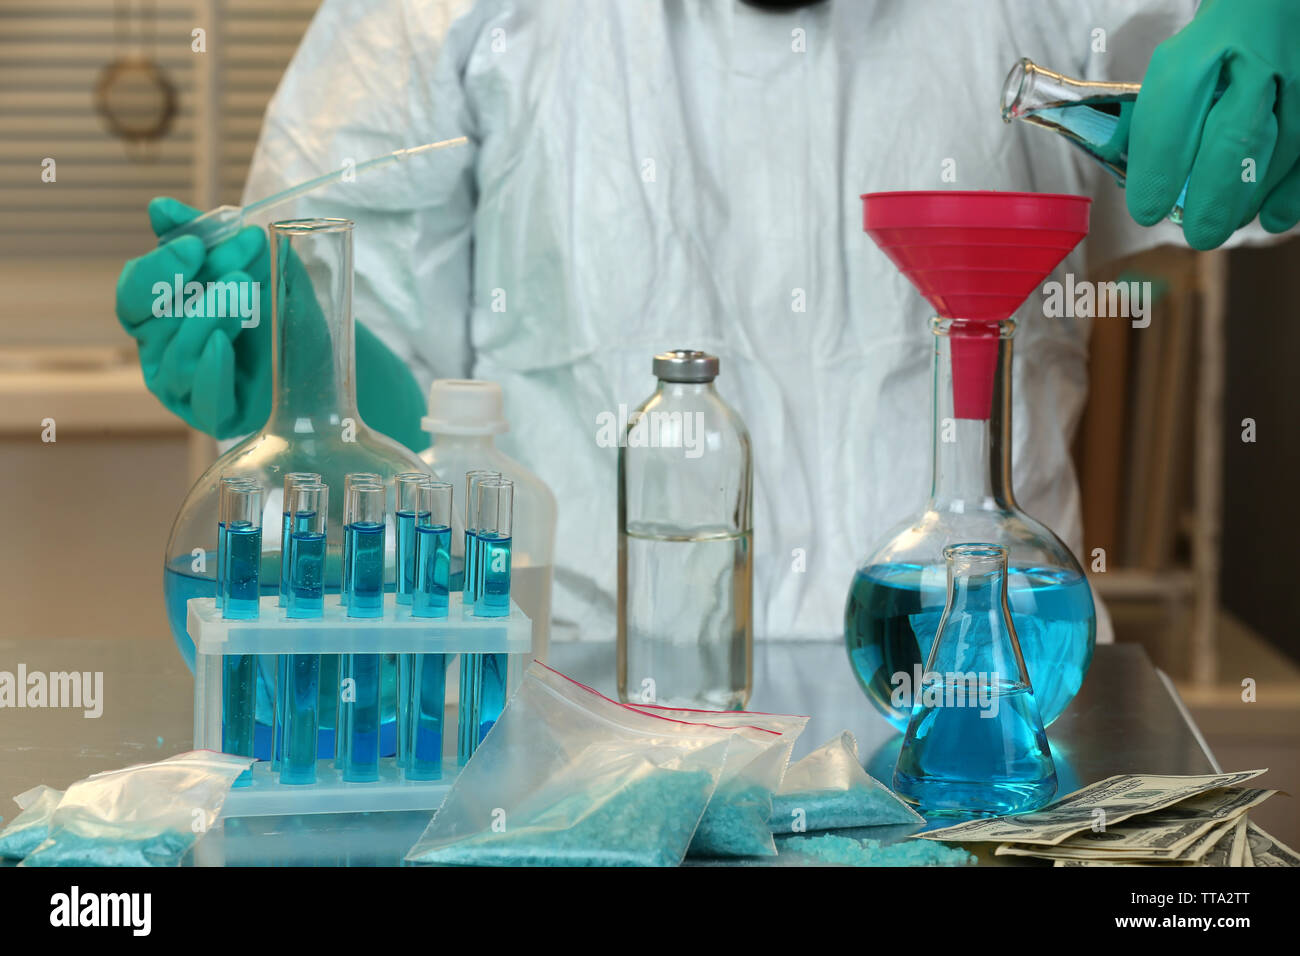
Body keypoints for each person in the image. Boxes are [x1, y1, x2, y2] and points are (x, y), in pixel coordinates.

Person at [116, 0, 1299, 647]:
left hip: (981, 685)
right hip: (570, 718)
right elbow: (403, 399)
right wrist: (295, 369)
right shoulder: (448, 16)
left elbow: (1228, 129)